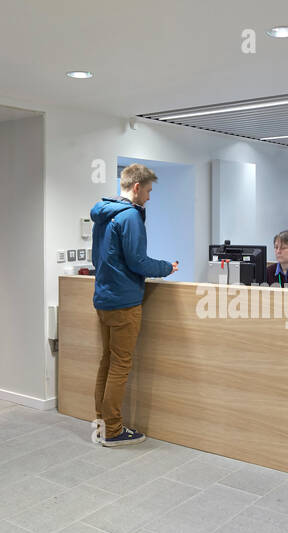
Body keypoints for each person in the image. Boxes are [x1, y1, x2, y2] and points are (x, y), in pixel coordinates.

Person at [89, 163, 178, 447]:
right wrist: (167, 267)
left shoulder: (104, 214)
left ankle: (101, 423)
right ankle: (113, 430)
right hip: (124, 302)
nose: (149, 197)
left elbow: (97, 258)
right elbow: (138, 261)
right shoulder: (129, 217)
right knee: (120, 365)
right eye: (149, 191)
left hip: (104, 299)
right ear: (137, 188)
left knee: (107, 361)